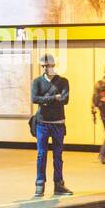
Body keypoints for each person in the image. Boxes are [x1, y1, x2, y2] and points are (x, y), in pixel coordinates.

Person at [31, 54, 72, 197]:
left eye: (47, 65)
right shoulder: (37, 82)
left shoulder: (63, 81)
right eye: (43, 66)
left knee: (58, 155)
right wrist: (54, 98)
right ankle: (39, 184)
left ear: (53, 65)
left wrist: (45, 100)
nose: (45, 68)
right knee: (41, 155)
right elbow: (34, 98)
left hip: (58, 123)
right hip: (42, 123)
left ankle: (59, 185)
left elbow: (65, 99)